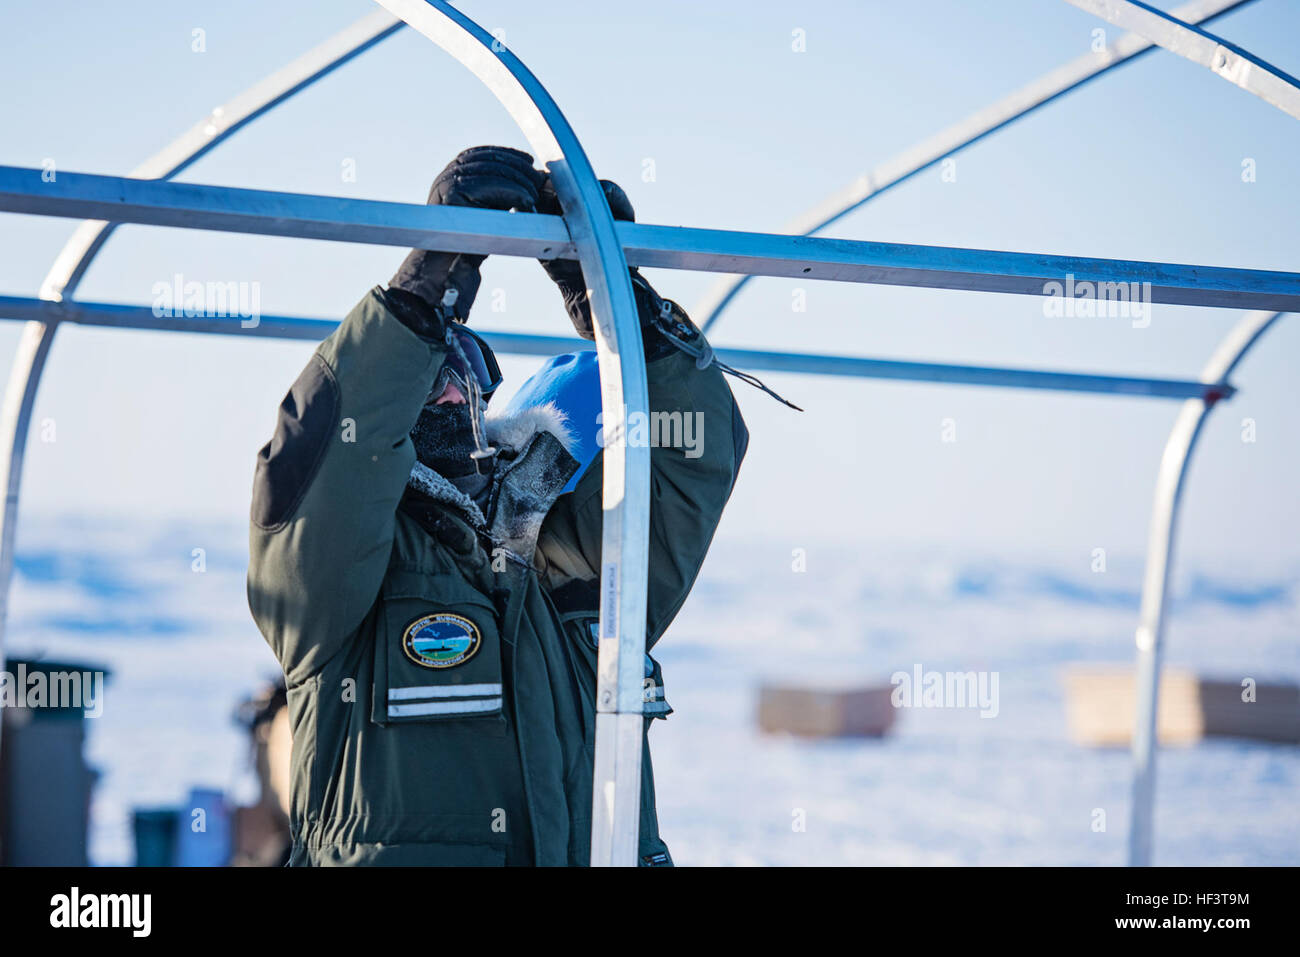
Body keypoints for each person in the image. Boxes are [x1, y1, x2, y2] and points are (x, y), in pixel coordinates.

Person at [246, 146, 750, 865]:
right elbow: (318, 469)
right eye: (430, 375)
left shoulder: (569, 560)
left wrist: (619, 309)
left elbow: (694, 456)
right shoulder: (343, 583)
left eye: (469, 369)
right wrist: (425, 287)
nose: (454, 390)